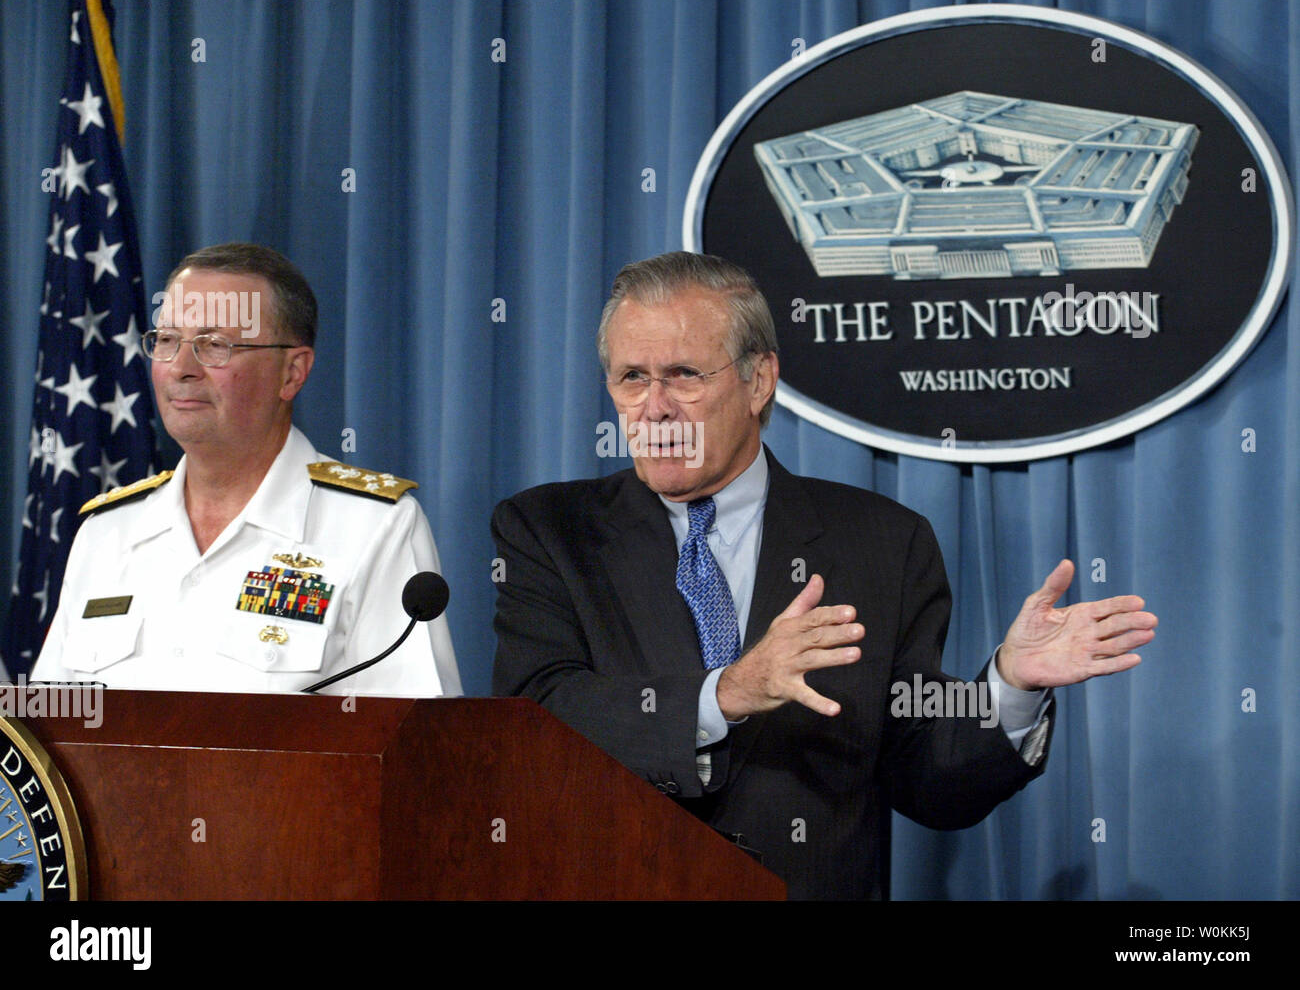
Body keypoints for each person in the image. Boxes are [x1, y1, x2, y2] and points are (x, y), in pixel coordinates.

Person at [491, 251, 1156, 899]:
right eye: (632, 377)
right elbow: (537, 720)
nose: (654, 408)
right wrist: (727, 693)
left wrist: (1008, 685)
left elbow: (926, 774)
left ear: (759, 381)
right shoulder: (550, 530)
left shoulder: (883, 543)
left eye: (684, 374)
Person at [33, 243, 461, 698]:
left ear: (292, 373)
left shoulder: (375, 527)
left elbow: (413, 746)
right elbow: (45, 733)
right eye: (166, 341)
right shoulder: (107, 532)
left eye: (214, 345)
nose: (180, 368)